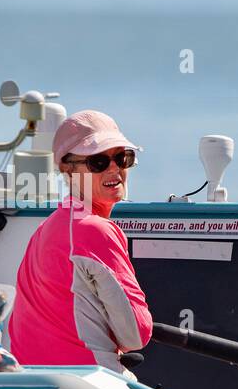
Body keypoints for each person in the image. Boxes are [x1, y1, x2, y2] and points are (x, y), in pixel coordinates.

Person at [8, 110, 152, 372]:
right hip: (86, 385)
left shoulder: (47, 227)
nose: (114, 168)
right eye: (98, 161)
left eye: (122, 157)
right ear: (67, 169)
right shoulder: (94, 230)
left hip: (36, 383)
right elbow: (136, 334)